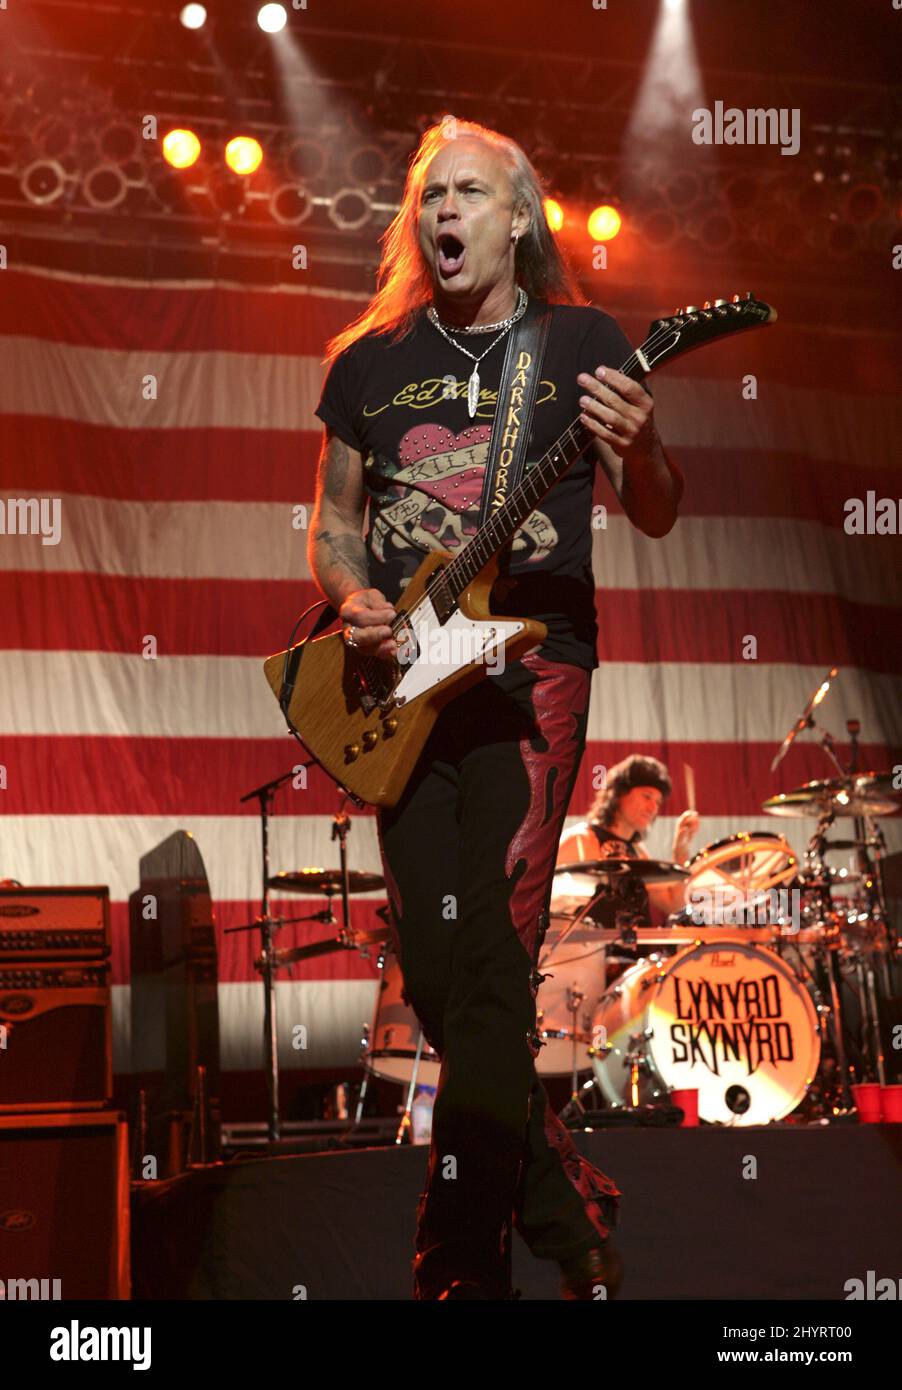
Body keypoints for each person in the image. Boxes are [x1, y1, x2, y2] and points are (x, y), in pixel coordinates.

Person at [309, 117, 684, 1300]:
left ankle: (458, 1263)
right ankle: (567, 1209)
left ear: (518, 217)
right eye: (430, 197)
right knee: (431, 966)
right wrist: (353, 593)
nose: (444, 214)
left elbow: (659, 508)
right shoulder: (367, 361)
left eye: (468, 193)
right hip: (406, 678)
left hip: (529, 674)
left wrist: (646, 443)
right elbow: (329, 523)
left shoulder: (575, 341)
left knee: (490, 961)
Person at [556, 754, 701, 930]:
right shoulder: (578, 840)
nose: (653, 808)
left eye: (658, 802)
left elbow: (673, 906)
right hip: (588, 953)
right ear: (618, 794)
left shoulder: (638, 852)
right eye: (647, 797)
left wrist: (680, 851)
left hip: (637, 954)